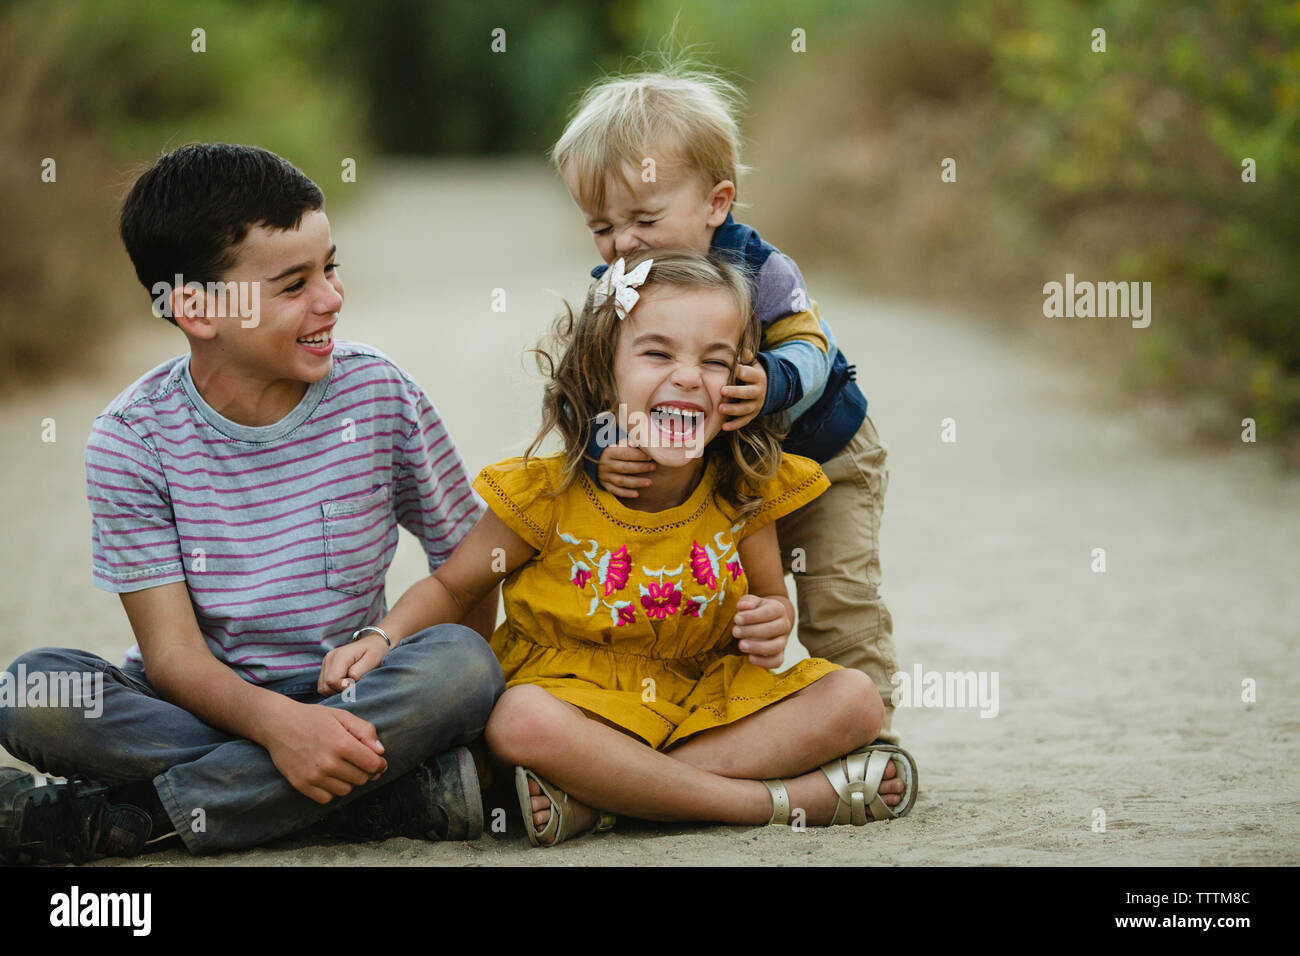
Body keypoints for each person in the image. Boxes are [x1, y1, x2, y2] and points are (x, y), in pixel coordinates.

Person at [0, 143, 504, 864]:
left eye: (329, 267)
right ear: (197, 310)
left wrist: (452, 708)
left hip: (356, 693)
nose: (331, 297)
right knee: (32, 691)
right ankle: (379, 793)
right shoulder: (131, 439)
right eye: (294, 284)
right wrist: (278, 729)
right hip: (197, 702)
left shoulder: (379, 395)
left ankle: (136, 818)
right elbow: (173, 657)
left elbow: (470, 562)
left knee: (462, 667)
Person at [321, 250, 917, 847]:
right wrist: (382, 637)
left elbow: (770, 612)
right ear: (599, 374)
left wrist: (769, 621)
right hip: (580, 712)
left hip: (700, 711)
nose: (689, 376)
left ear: (740, 387)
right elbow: (455, 586)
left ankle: (607, 799)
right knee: (517, 720)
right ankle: (766, 802)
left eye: (716, 361)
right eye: (658, 353)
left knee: (854, 699)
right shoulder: (548, 491)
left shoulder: (742, 489)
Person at [553, 66, 903, 745]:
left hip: (824, 458)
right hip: (734, 480)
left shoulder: (762, 268)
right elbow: (587, 389)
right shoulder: (615, 293)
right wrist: (603, 447)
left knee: (839, 602)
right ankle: (726, 732)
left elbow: (812, 348)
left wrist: (770, 380)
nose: (623, 243)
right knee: (724, 613)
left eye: (644, 219)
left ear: (716, 203)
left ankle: (870, 744)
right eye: (602, 227)